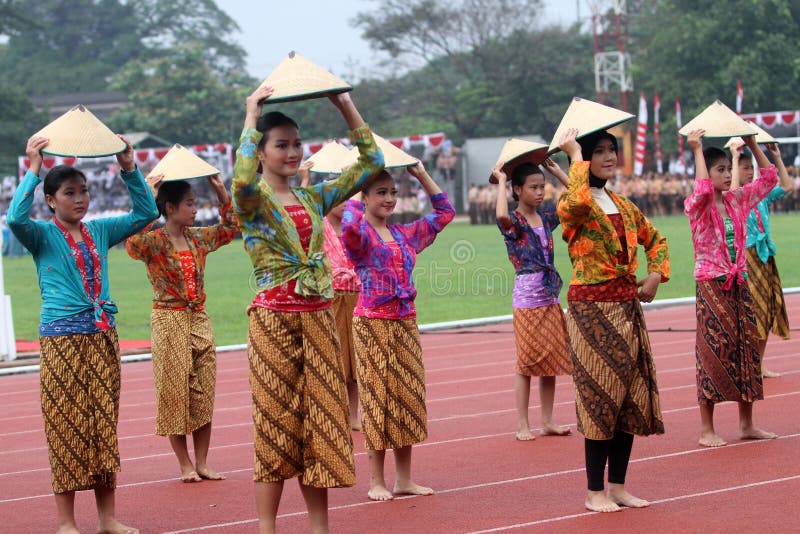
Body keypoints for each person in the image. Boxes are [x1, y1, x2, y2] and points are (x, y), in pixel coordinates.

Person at [232, 85, 384, 534]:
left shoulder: (314, 198)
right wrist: (251, 112)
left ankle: (320, 528)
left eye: (298, 143)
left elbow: (371, 164)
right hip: (273, 322)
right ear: (259, 151)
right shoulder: (252, 201)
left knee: (321, 425)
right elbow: (240, 180)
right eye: (281, 144)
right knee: (277, 425)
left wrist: (344, 107)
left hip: (319, 318)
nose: (294, 151)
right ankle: (267, 528)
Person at [8, 134, 158, 534]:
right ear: (51, 200)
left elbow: (146, 212)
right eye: (70, 192)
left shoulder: (101, 230)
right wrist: (33, 169)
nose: (80, 198)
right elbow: (14, 220)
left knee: (102, 427)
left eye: (84, 191)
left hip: (102, 339)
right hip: (62, 343)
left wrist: (129, 166)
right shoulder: (39, 235)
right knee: (64, 425)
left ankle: (108, 519)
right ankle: (66, 522)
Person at [557, 128, 669, 513]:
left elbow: (657, 240)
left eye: (611, 150)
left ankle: (618, 486)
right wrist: (574, 156)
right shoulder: (574, 203)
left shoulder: (623, 204)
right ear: (584, 159)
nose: (608, 157)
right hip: (591, 313)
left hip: (627, 309)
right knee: (598, 399)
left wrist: (655, 273)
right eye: (598, 152)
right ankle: (594, 491)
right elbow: (574, 205)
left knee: (629, 399)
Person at [341, 162, 454, 501]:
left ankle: (404, 479)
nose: (390, 198)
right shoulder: (360, 236)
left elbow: (444, 213)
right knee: (377, 401)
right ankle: (376, 481)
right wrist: (354, 187)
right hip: (373, 323)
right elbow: (346, 229)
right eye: (381, 192)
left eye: (393, 192)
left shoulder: (405, 234)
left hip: (405, 323)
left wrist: (421, 175)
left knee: (406, 399)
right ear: (364, 197)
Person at [126, 173, 237, 482]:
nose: (196, 208)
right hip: (168, 319)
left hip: (199, 319)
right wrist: (148, 195)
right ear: (171, 207)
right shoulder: (152, 241)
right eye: (189, 203)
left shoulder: (198, 237)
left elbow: (230, 229)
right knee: (174, 393)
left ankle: (202, 462)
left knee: (204, 391)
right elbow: (131, 242)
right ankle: (185, 463)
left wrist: (221, 193)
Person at [684, 130, 778, 448]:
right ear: (707, 173)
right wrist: (697, 150)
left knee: (745, 352)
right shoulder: (697, 207)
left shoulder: (737, 200)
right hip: (711, 285)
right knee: (712, 353)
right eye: (720, 169)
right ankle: (706, 428)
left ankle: (747, 423)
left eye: (728, 169)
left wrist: (752, 145)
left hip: (739, 283)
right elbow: (700, 192)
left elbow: (768, 179)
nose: (727, 174)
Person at [492, 158, 572, 441]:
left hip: (549, 295)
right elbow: (501, 215)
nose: (540, 192)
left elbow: (575, 195)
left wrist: (557, 171)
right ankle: (523, 423)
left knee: (549, 360)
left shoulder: (546, 217)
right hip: (527, 298)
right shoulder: (515, 222)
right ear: (518, 190)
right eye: (533, 187)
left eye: (543, 187)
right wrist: (500, 182)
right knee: (526, 362)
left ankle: (547, 420)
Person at [299, 161, 362, 430]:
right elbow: (301, 211)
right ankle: (333, 412)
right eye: (339, 197)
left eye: (349, 197)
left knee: (356, 360)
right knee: (333, 357)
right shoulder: (319, 224)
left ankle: (354, 414)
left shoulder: (355, 226)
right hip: (330, 296)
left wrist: (355, 173)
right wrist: (305, 178)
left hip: (358, 295)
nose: (344, 203)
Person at [730, 139, 792, 378]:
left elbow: (786, 187)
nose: (748, 171)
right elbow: (734, 191)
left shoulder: (761, 195)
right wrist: (734, 158)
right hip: (746, 258)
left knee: (766, 311)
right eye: (743, 167)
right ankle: (745, 364)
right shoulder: (736, 198)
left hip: (765, 256)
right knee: (750, 312)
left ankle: (759, 364)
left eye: (749, 167)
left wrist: (776, 157)